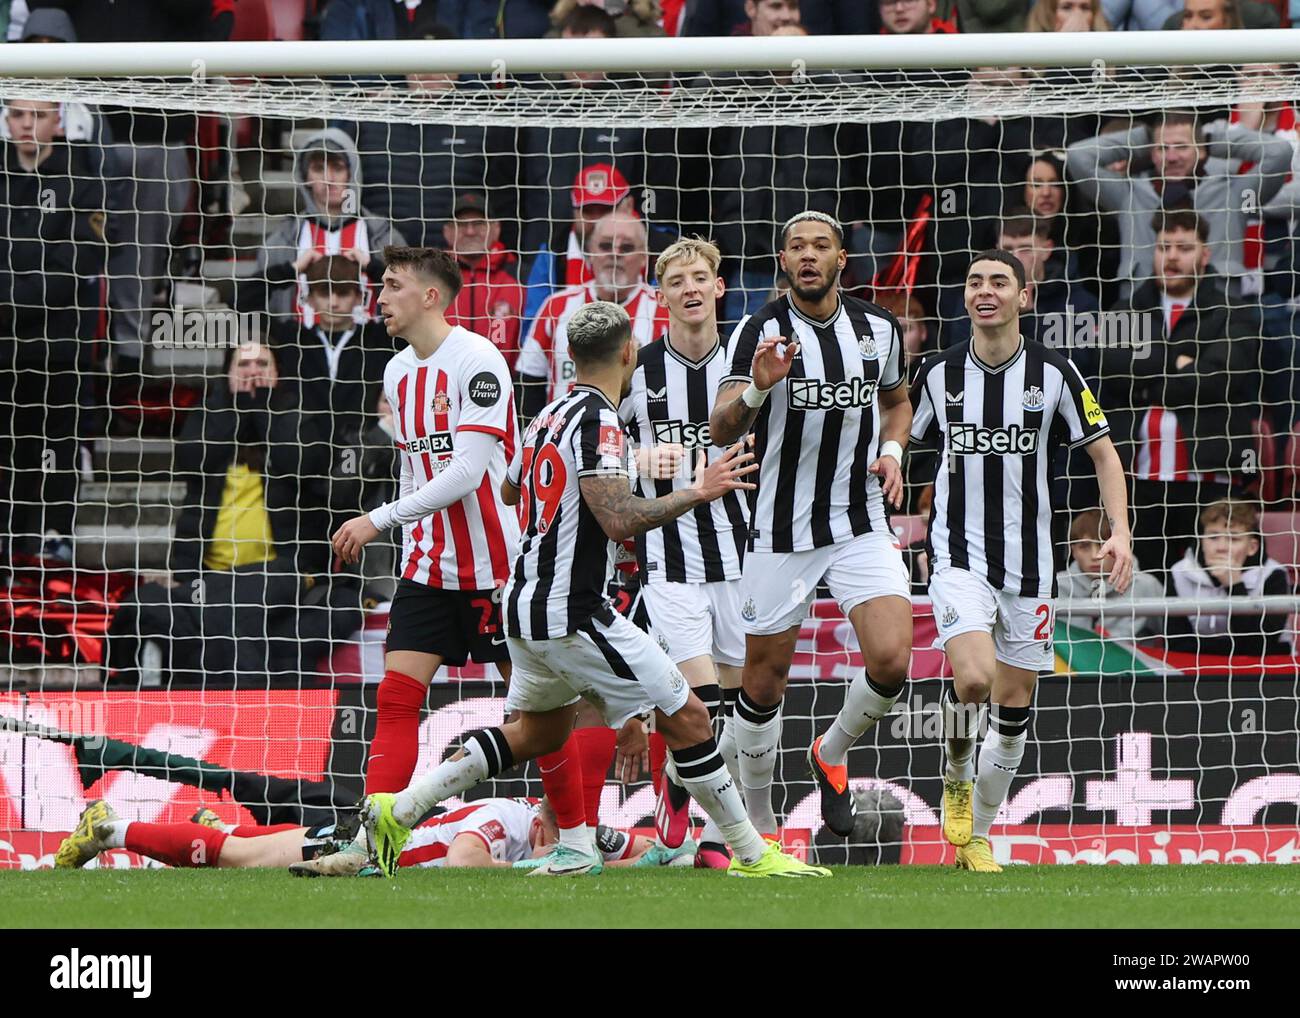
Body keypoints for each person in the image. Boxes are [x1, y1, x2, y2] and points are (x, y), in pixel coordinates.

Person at [359, 301, 829, 878]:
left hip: (523, 605)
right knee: (690, 717)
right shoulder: (602, 421)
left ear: (571, 358)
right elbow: (617, 520)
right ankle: (754, 854)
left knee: (537, 732)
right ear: (630, 353)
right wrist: (697, 491)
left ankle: (399, 811)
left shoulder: (546, 416)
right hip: (573, 611)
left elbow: (509, 493)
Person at [909, 248, 1133, 873]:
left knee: (1012, 711)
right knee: (973, 680)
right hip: (956, 555)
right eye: (975, 281)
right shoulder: (938, 374)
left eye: (999, 282)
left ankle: (976, 837)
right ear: (966, 297)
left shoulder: (1057, 373)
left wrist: (1119, 531)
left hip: (1031, 567)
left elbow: (1105, 456)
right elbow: (903, 443)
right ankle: (955, 768)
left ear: (1023, 298)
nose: (986, 290)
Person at [709, 211, 914, 843]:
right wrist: (755, 392)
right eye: (796, 246)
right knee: (763, 682)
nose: (808, 255)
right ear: (781, 260)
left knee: (891, 657)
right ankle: (761, 827)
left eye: (820, 245)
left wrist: (893, 453)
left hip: (858, 517)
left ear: (840, 260)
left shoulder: (878, 329)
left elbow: (898, 401)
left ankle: (831, 750)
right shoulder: (757, 330)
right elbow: (721, 428)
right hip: (780, 525)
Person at [328, 245, 520, 808]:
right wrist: (409, 536)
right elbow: (416, 469)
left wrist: (378, 520)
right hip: (430, 566)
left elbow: (464, 472)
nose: (379, 298)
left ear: (430, 296)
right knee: (395, 699)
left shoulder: (478, 360)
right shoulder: (396, 370)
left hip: (497, 566)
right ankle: (373, 836)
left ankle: (571, 833)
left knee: (535, 709)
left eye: (391, 286)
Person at [616, 237, 751, 869]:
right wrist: (646, 459)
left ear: (719, 288)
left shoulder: (749, 364)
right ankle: (707, 827)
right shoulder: (636, 369)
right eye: (677, 281)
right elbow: (598, 450)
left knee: (737, 704)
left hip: (746, 555)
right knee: (700, 700)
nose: (691, 289)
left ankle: (690, 798)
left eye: (701, 278)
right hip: (669, 554)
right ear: (661, 294)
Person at [1097, 210, 1261, 577]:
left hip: (1209, 476)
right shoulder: (1125, 309)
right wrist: (1183, 361)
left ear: (1205, 255)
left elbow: (1224, 377)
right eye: (1163, 247)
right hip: (1137, 480)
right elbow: (1114, 370)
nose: (1171, 257)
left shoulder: (1234, 309)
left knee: (1208, 581)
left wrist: (1151, 375)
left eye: (1184, 248)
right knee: (1145, 581)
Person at [0, 97, 106, 562]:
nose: (27, 124)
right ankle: (8, 539)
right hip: (3, 345)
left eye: (38, 114)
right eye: (19, 114)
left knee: (56, 444)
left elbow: (86, 254)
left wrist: (15, 297)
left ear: (57, 120)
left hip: (59, 343)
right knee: (7, 446)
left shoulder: (81, 173)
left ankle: (55, 534)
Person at [54, 797, 651, 872]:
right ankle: (108, 829)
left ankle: (214, 828)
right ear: (540, 821)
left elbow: (646, 849)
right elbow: (467, 864)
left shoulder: (574, 828)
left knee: (250, 842)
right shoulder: (510, 819)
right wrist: (538, 868)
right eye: (555, 845)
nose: (559, 854)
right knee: (239, 861)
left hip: (373, 843)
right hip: (356, 846)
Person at [1066, 109, 1291, 298]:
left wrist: (1211, 139)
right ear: (1151, 153)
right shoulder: (1128, 194)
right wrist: (1144, 137)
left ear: (1201, 150)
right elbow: (1078, 157)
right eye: (1162, 148)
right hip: (1144, 318)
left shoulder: (1235, 195)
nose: (1171, 157)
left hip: (1218, 315)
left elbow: (1279, 153)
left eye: (1181, 146)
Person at [237, 129, 406, 324]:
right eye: (318, 168)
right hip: (299, 350)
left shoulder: (383, 236)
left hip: (369, 349)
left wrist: (373, 267)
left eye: (338, 167)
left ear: (352, 172)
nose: (329, 179)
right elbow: (251, 305)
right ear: (305, 176)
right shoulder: (282, 240)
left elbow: (410, 299)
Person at [517, 212, 668, 420]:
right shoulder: (556, 307)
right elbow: (529, 382)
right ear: (589, 253)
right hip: (562, 442)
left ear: (645, 257)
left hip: (637, 445)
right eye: (605, 246)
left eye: (626, 248)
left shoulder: (664, 310)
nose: (615, 255)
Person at [1166, 498, 1294, 657]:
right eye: (1213, 537)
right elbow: (1177, 646)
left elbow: (1259, 647)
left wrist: (1234, 584)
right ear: (1202, 542)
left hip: (1263, 674)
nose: (1221, 547)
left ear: (1252, 547)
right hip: (1194, 671)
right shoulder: (1179, 573)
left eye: (1233, 539)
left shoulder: (1274, 575)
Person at [442, 193, 525, 372]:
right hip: (443, 389)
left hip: (507, 389)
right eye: (462, 224)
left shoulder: (521, 275)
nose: (470, 231)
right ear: (447, 232)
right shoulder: (431, 276)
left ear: (496, 229)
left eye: (479, 224)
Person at [1057, 507, 1164, 640]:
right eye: (1084, 546)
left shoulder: (1146, 586)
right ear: (1072, 550)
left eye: (1105, 546)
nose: (1095, 555)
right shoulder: (1057, 586)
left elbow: (1168, 641)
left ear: (1122, 547)